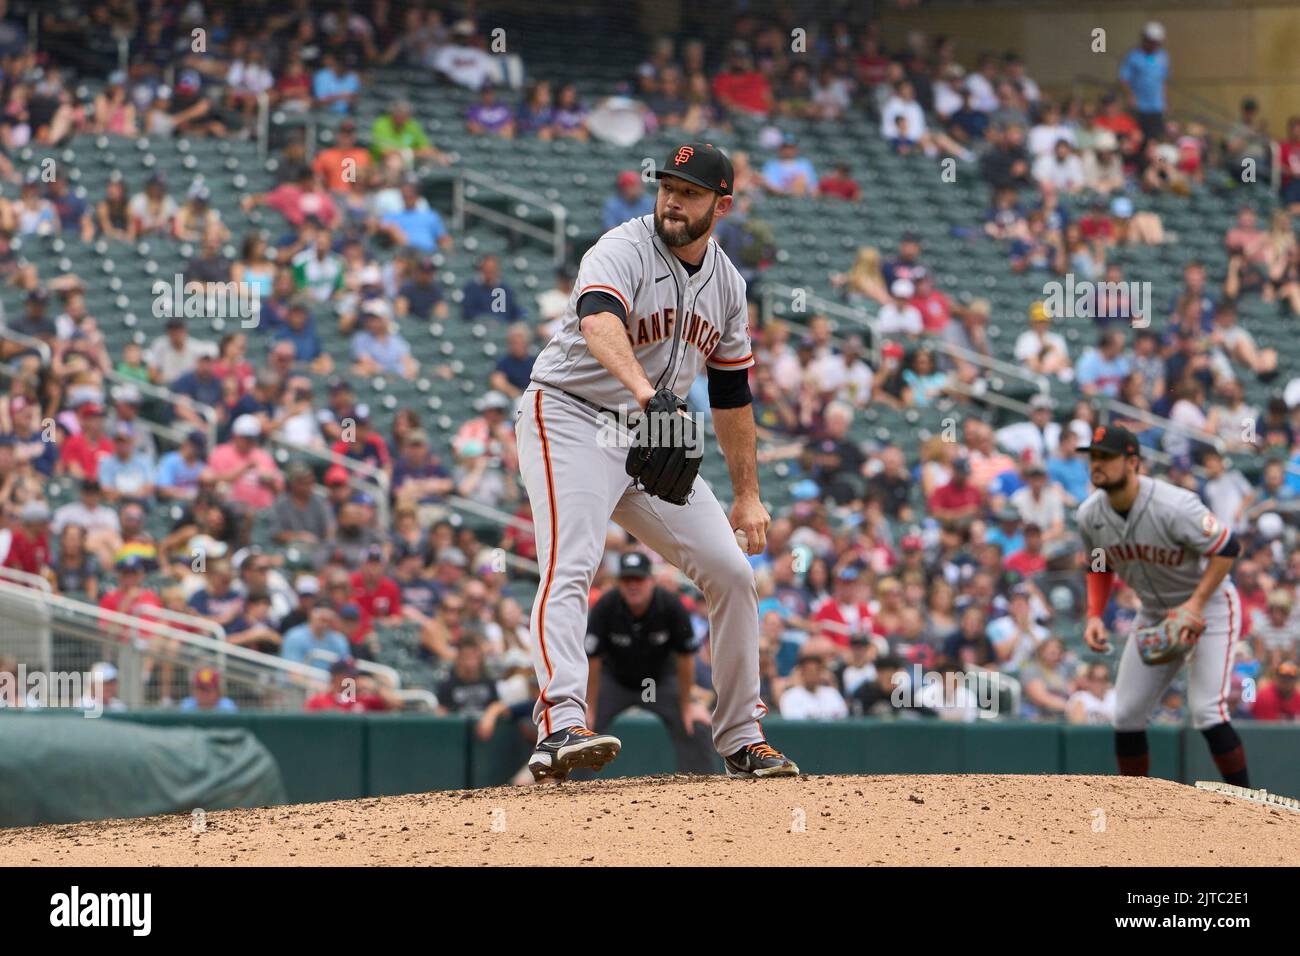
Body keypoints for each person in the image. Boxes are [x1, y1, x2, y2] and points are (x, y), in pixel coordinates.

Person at [516, 142, 798, 780]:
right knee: (571, 563)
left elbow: (732, 392)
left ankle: (742, 738)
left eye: (691, 192)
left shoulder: (727, 285)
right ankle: (560, 724)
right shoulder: (622, 246)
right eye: (668, 186)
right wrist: (649, 397)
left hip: (649, 436)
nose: (674, 200)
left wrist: (747, 493)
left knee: (730, 572)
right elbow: (598, 319)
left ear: (721, 205)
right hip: (570, 414)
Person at [1078, 425, 1249, 786]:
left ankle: (1247, 811)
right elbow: (1099, 563)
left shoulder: (1174, 504)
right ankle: (1137, 808)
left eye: (1107, 457)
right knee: (1125, 714)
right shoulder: (1089, 515)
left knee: (1207, 710)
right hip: (1155, 613)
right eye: (1093, 456)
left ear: (1133, 462)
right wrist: (1095, 613)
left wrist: (1196, 603)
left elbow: (1228, 548)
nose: (1097, 464)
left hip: (1209, 606)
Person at [583, 551, 714, 772]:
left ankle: (702, 790)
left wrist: (687, 704)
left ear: (651, 581)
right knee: (583, 729)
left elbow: (685, 659)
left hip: (656, 683)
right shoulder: (606, 606)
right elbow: (593, 659)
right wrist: (590, 707)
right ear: (619, 583)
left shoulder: (671, 606)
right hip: (616, 681)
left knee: (695, 723)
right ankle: (569, 797)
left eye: (639, 579)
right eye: (627, 580)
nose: (633, 585)